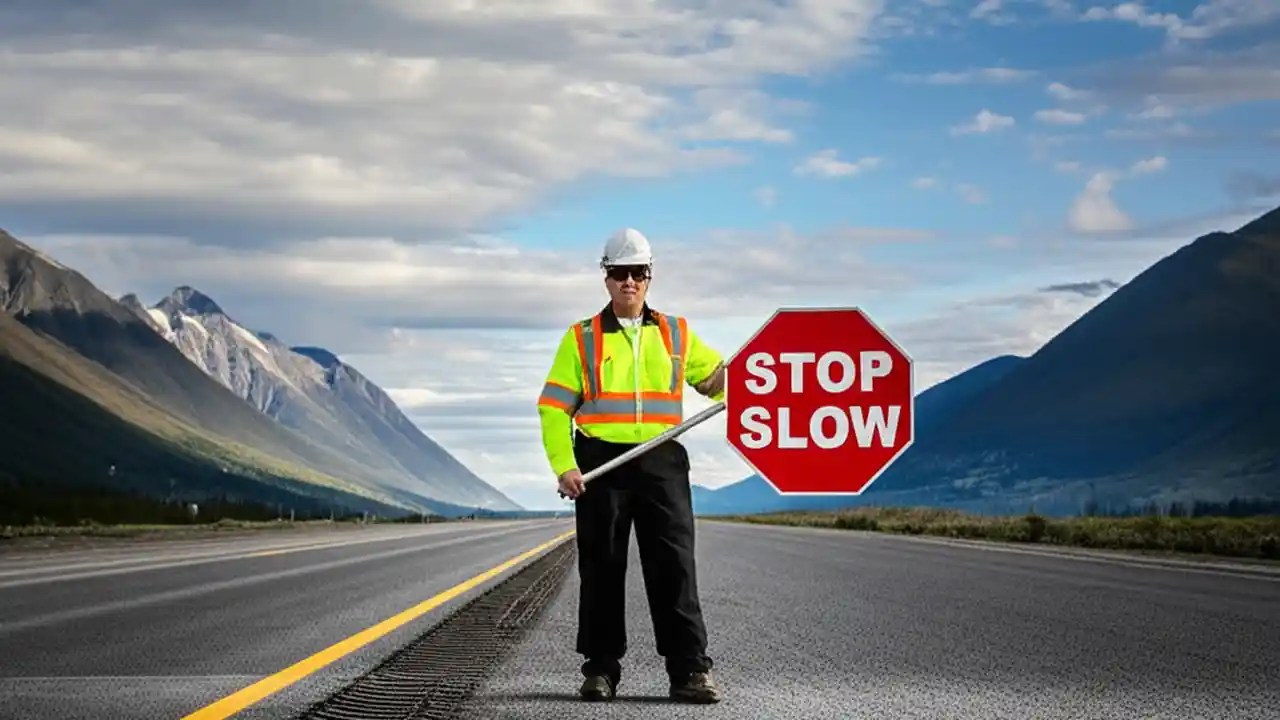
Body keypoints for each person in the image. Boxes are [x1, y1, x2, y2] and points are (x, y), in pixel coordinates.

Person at [536, 227, 726, 704]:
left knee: (675, 567)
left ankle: (689, 671)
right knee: (602, 566)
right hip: (601, 464)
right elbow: (554, 407)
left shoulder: (677, 333)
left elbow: (721, 381)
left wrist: (767, 375)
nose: (629, 282)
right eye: (619, 273)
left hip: (663, 461)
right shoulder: (580, 339)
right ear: (606, 278)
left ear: (649, 277)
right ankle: (601, 669)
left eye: (637, 273)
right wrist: (564, 464)